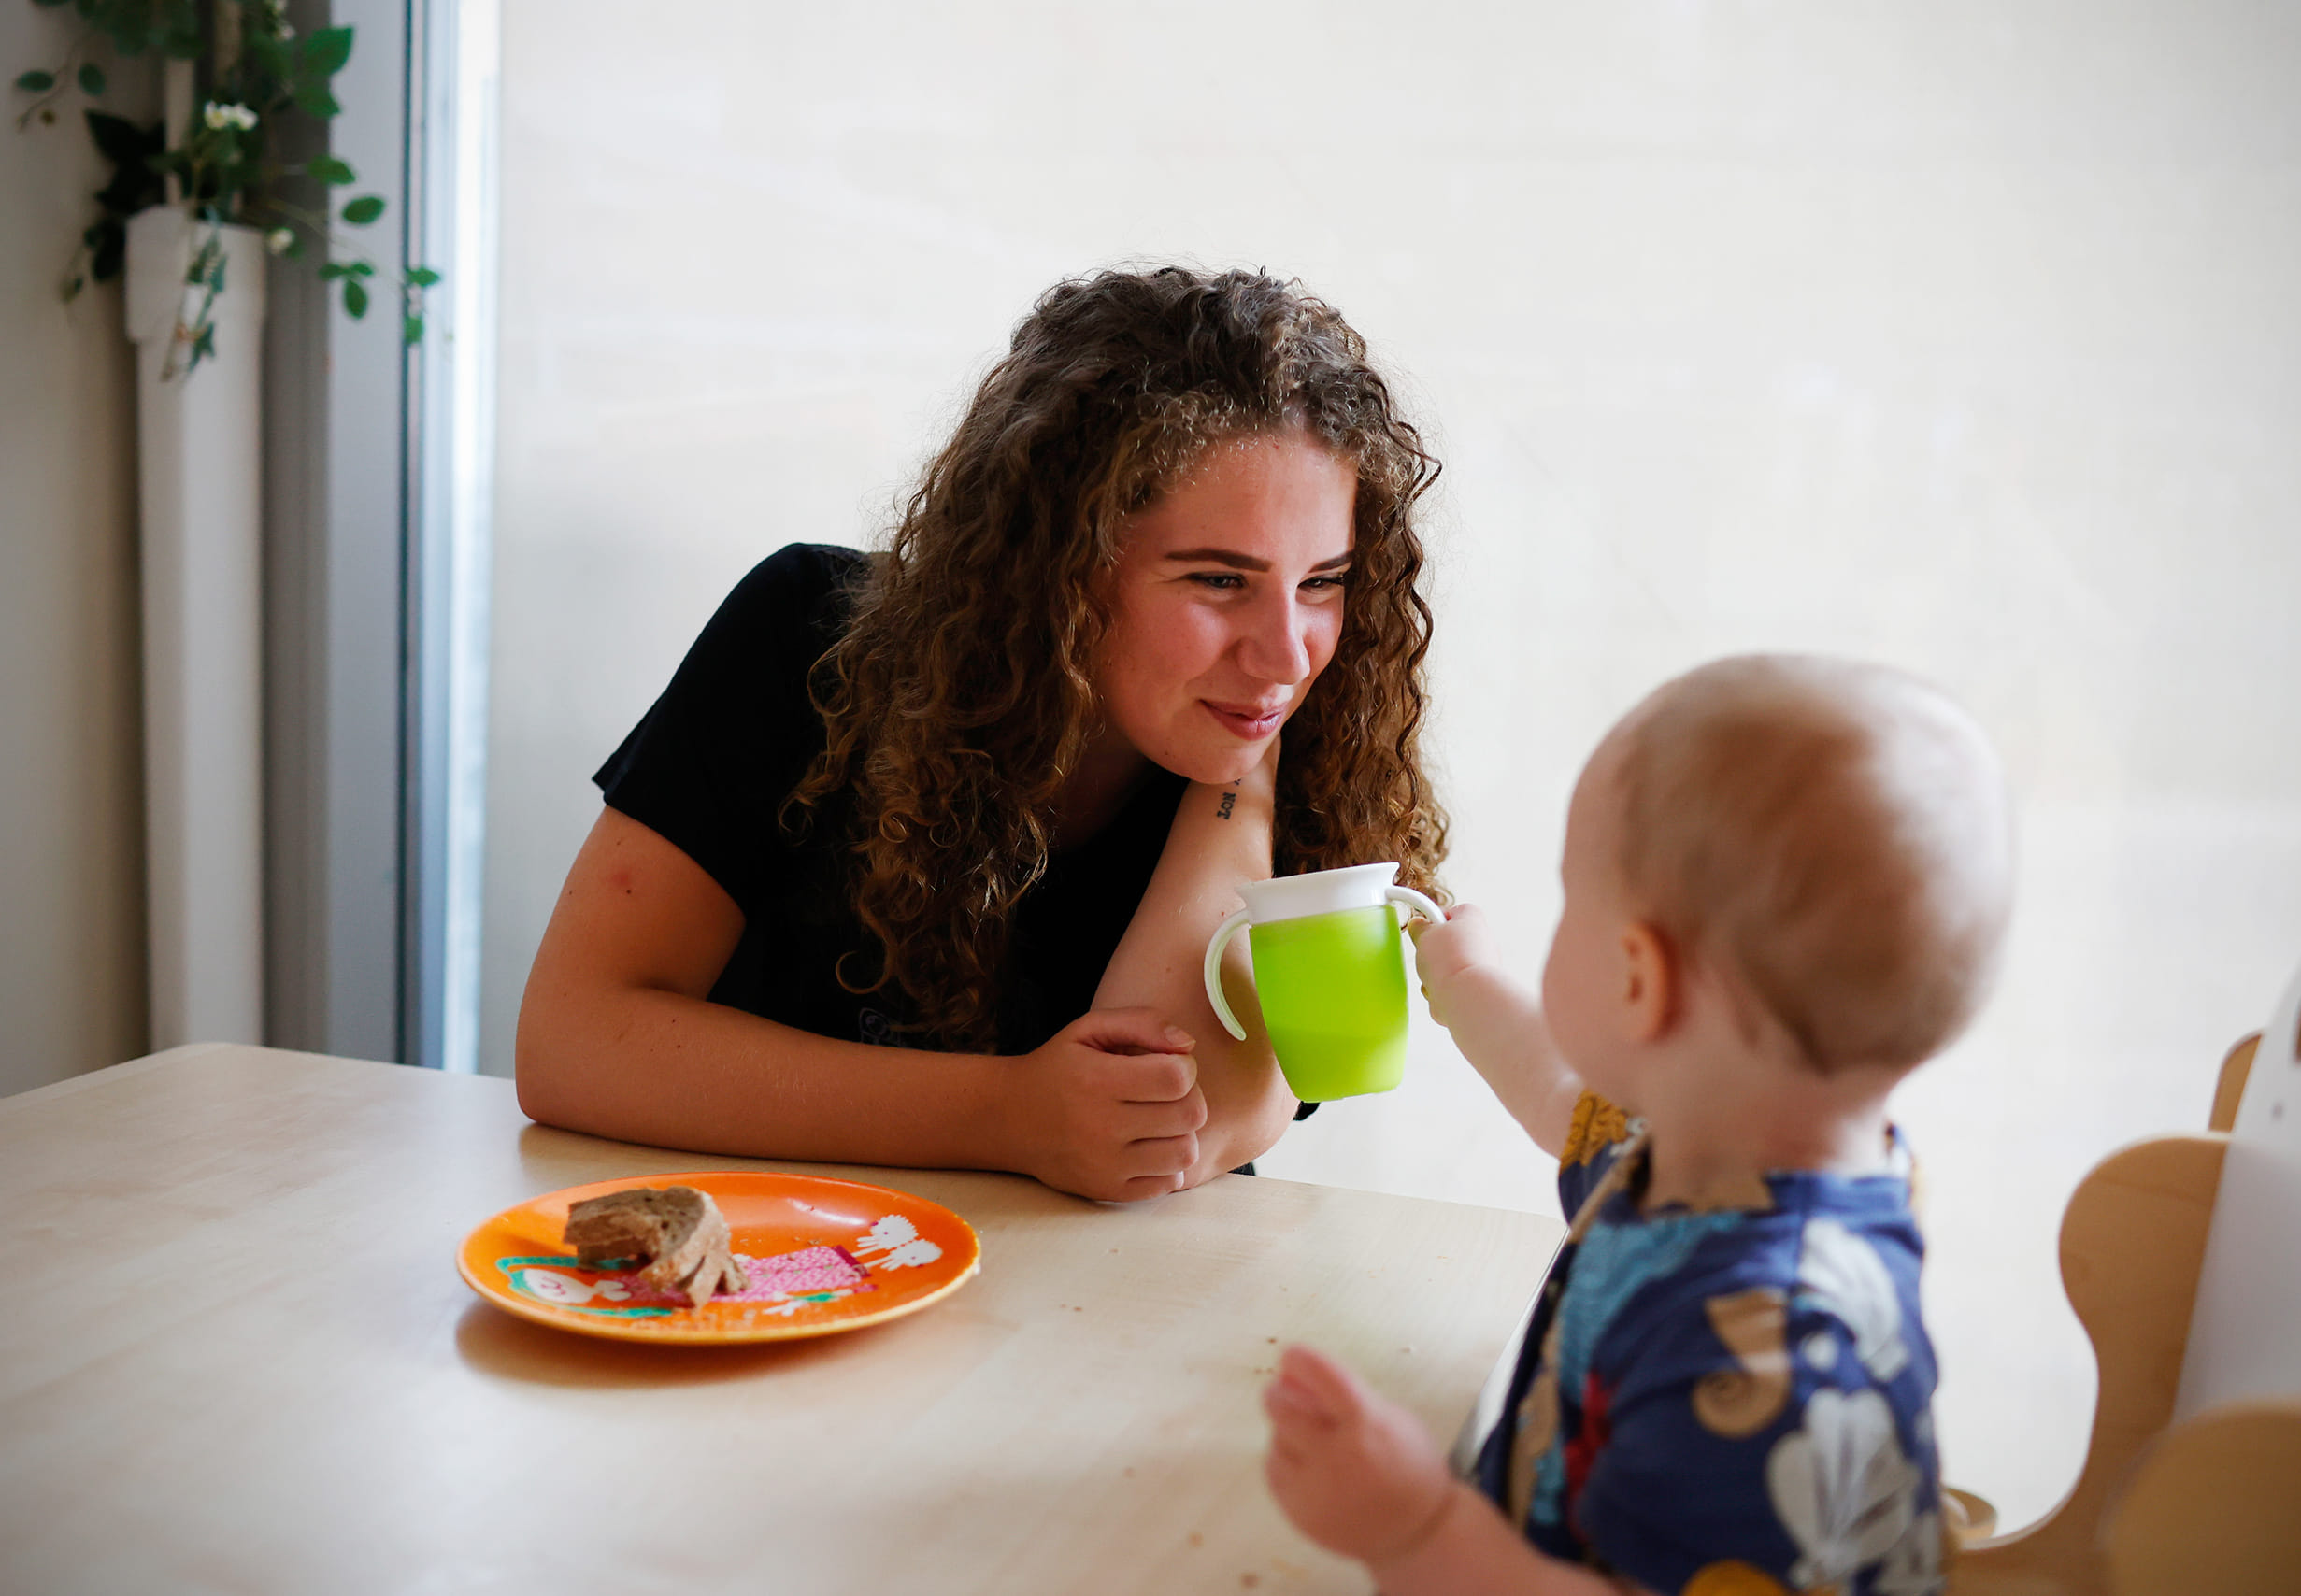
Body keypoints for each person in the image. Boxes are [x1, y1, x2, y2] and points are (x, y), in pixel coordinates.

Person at [514, 267, 1448, 1202]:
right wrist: (1007, 1113)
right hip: (768, 1278)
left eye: (1323, 580)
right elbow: (573, 1042)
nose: (1288, 652)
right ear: (1061, 569)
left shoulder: (1311, 757)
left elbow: (1169, 1126)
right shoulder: (806, 638)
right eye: (1217, 580)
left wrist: (1241, 780)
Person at [1261, 654, 2014, 1595]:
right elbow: (1560, 1095)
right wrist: (1464, 985)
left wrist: (1418, 1529)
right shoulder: (1717, 1156)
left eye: (1572, 894)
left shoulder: (1767, 1354)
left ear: (1636, 979)